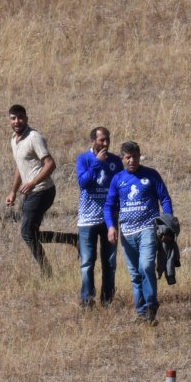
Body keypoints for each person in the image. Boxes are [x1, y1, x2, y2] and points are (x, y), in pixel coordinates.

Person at [105, 141, 172, 324]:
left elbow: (164, 198)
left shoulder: (151, 175)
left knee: (146, 266)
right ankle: (142, 313)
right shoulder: (118, 179)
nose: (132, 160)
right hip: (127, 233)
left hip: (147, 229)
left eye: (135, 156)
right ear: (122, 159)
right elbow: (109, 206)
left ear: (139, 156)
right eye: (128, 157)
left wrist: (167, 222)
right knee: (135, 274)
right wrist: (111, 226)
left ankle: (151, 304)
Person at [3, 104, 55, 271]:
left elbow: (50, 164)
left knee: (27, 233)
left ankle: (47, 272)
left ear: (26, 118)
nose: (16, 121)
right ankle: (72, 240)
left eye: (20, 118)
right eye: (13, 118)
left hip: (42, 190)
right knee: (31, 233)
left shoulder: (34, 137)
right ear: (9, 120)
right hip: (31, 191)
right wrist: (13, 191)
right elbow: (20, 165)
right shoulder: (14, 139)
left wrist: (33, 182)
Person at [75, 125, 121, 307]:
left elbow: (120, 186)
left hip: (109, 219)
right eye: (102, 140)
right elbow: (83, 183)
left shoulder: (116, 161)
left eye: (108, 139)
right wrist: (96, 163)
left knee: (110, 263)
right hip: (87, 219)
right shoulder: (84, 159)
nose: (106, 143)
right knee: (87, 262)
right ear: (93, 141)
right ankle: (87, 300)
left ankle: (108, 300)